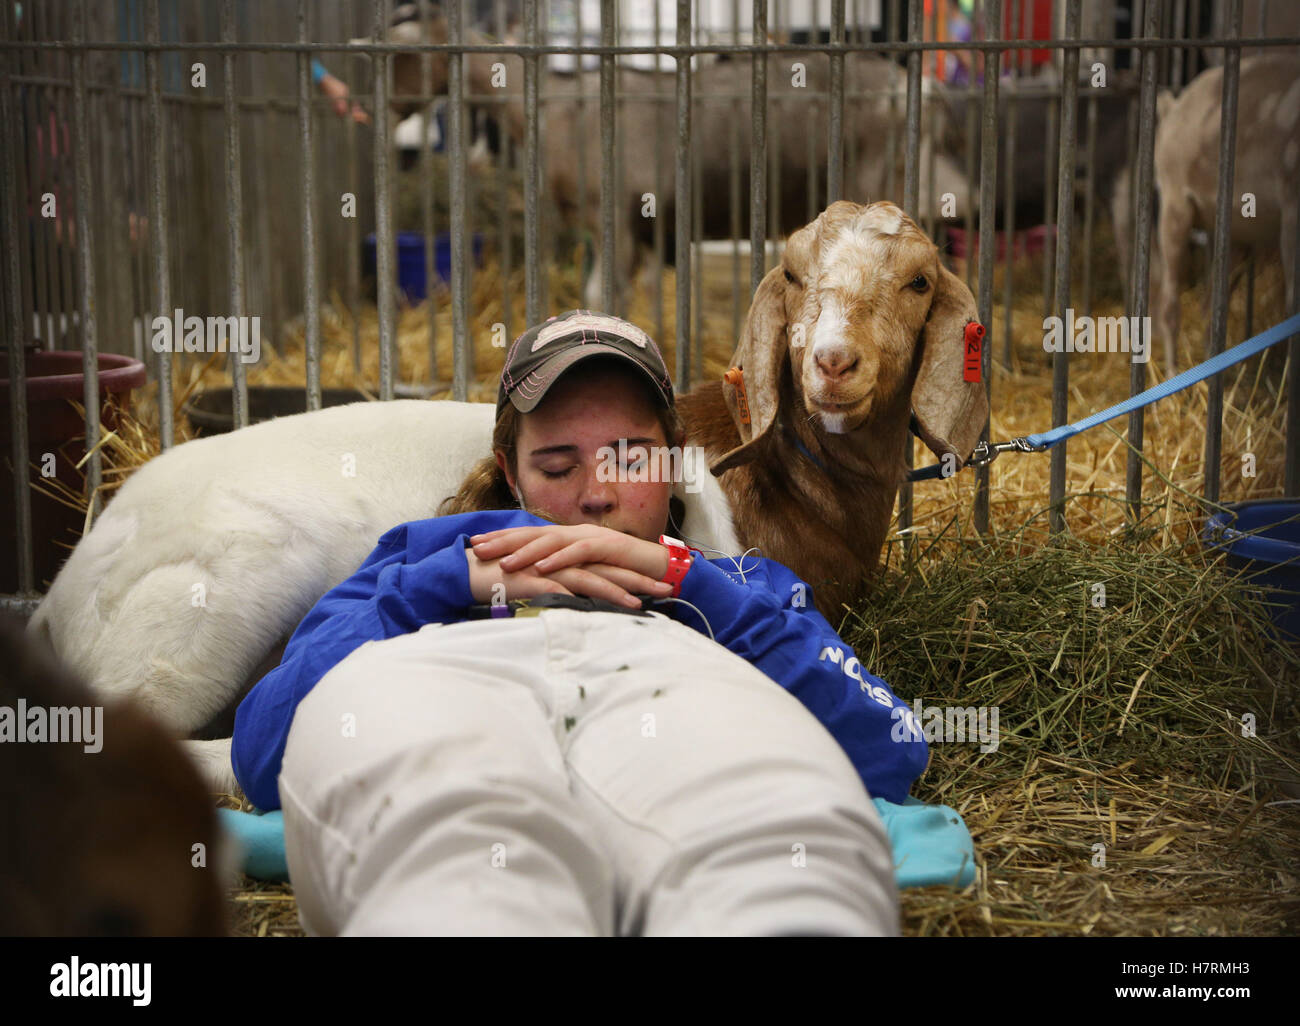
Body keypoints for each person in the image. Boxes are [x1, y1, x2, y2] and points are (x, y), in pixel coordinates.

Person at [230, 309, 929, 937]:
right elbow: (262, 752)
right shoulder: (413, 563)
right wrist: (444, 586)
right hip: (452, 683)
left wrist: (685, 584)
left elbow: (890, 748)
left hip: (673, 694)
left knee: (775, 870)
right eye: (558, 466)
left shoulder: (742, 586)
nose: (596, 496)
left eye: (630, 459)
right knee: (452, 869)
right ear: (511, 472)